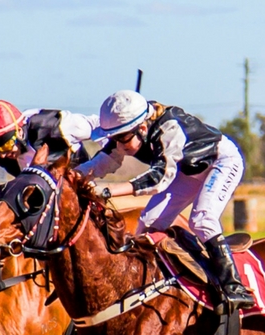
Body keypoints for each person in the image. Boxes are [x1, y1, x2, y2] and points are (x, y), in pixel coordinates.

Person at [78, 90, 255, 312]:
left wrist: (107, 191)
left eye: (122, 139)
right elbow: (105, 160)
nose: (119, 146)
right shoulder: (131, 130)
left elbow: (159, 179)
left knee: (202, 219)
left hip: (221, 162)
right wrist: (73, 176)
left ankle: (234, 287)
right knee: (148, 222)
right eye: (113, 138)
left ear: (142, 128)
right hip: (188, 170)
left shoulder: (170, 128)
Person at [0, 100, 99, 186]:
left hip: (79, 189)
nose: (2, 156)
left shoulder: (55, 125)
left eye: (6, 147)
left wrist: (107, 159)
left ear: (19, 131)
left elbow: (102, 125)